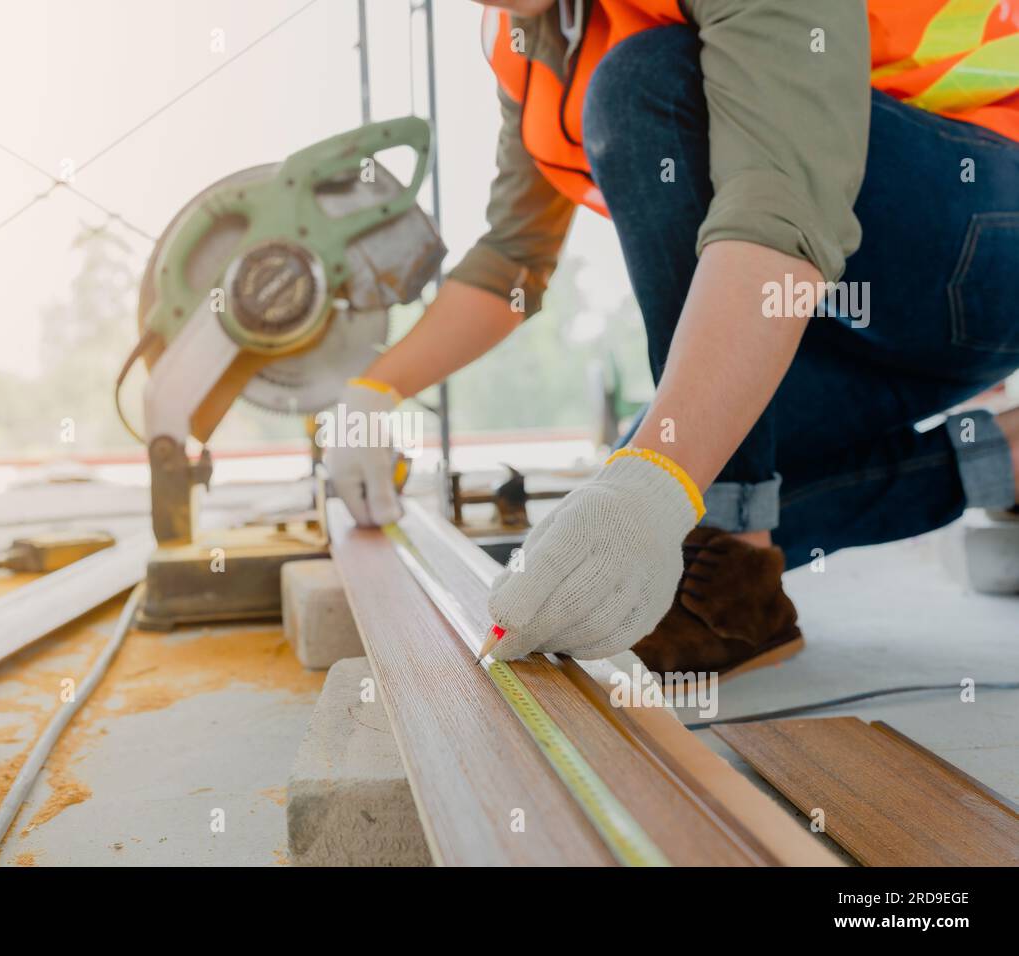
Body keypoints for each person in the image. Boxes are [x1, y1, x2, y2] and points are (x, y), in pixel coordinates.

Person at [325, 0, 1019, 675]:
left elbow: (784, 200)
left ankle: (732, 557)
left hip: (988, 235)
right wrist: (374, 391)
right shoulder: (528, 37)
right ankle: (997, 460)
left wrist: (663, 479)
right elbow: (514, 257)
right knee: (666, 486)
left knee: (645, 82)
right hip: (877, 305)